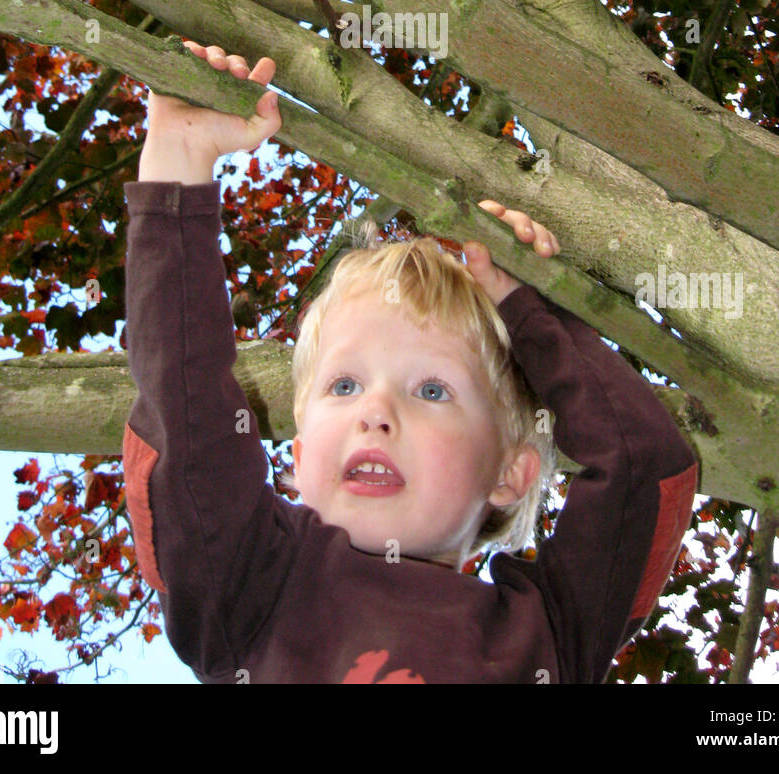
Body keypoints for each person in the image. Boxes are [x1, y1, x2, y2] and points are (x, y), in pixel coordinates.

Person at [123, 43, 699, 683]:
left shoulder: (548, 636)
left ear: (510, 473)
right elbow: (187, 412)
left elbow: (646, 468)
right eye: (344, 385)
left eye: (431, 391)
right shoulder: (247, 586)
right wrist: (177, 158)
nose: (376, 412)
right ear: (298, 448)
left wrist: (531, 310)